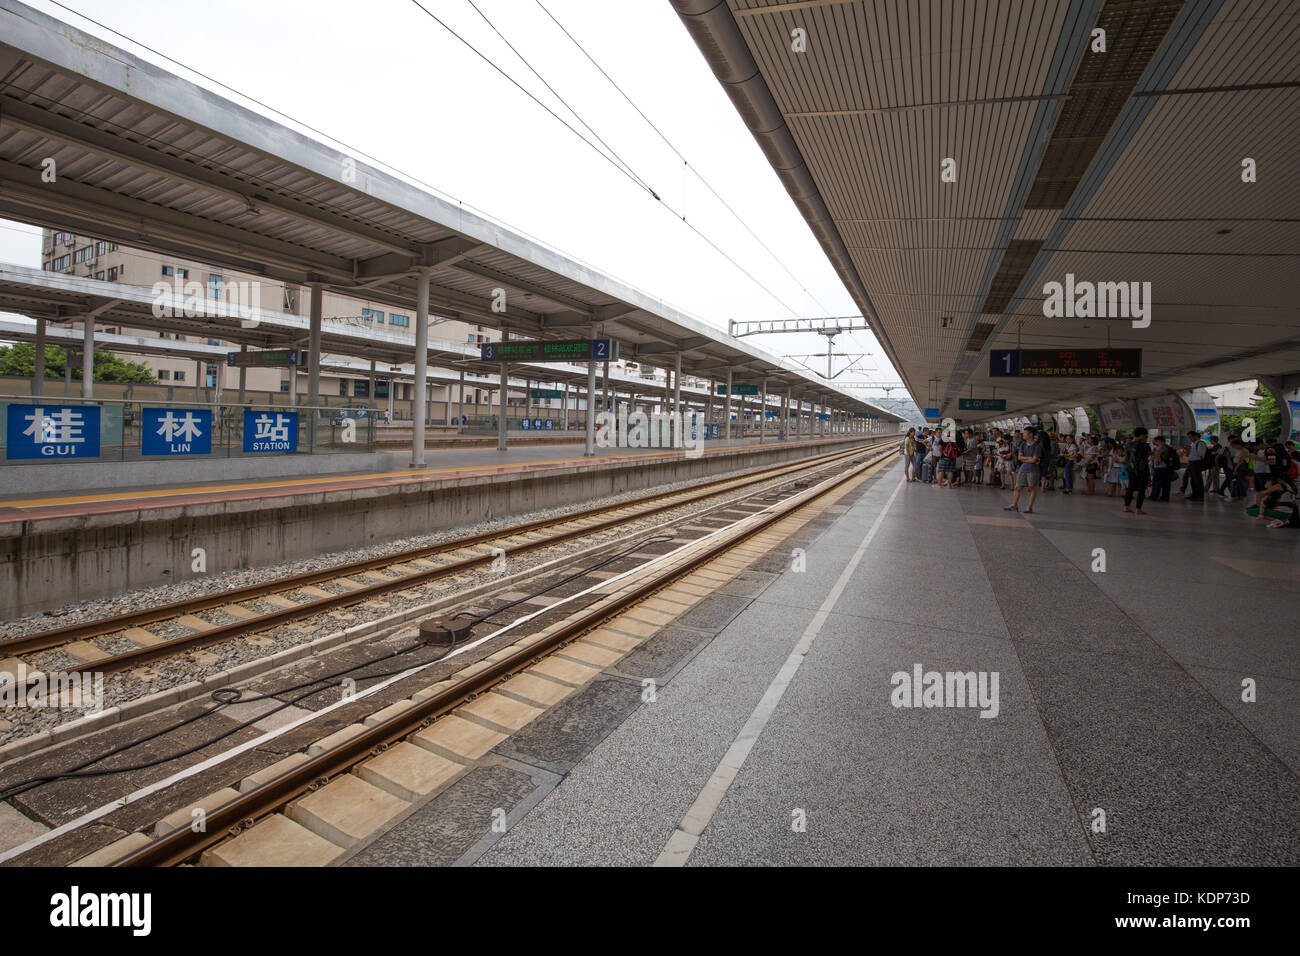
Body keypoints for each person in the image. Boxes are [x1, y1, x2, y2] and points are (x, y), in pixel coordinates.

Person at [1004, 426, 1041, 514]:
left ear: (1031, 434)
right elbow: (1020, 457)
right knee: (1017, 487)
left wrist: (1028, 459)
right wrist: (1029, 458)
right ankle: (1014, 505)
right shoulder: (1023, 444)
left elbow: (1034, 460)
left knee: (1032, 488)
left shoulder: (1037, 446)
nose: (1023, 435)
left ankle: (1029, 507)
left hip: (1033, 470)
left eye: (1025, 433)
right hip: (1023, 468)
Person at [1123, 427, 1152, 514]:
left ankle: (1126, 507)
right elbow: (1148, 456)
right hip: (1142, 470)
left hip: (1131, 469)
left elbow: (1126, 456)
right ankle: (1138, 509)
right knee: (1141, 489)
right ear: (1142, 435)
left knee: (1130, 488)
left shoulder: (1128, 445)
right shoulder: (1145, 445)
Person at [1150, 435, 1178, 502]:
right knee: (1166, 483)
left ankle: (1154, 496)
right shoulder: (1167, 447)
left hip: (1160, 467)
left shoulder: (1160, 447)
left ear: (1159, 441)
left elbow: (1157, 455)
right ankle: (1165, 497)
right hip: (1167, 467)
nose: (1154, 442)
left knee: (1156, 482)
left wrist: (1155, 461)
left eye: (1155, 441)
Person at [1184, 429, 1208, 500]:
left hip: (1197, 463)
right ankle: (1194, 493)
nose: (1190, 439)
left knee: (1198, 479)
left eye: (1190, 437)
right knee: (1193, 479)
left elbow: (1201, 455)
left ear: (1195, 436)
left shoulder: (1200, 443)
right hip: (1191, 462)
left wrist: (1192, 451)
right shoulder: (1193, 444)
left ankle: (1200, 495)